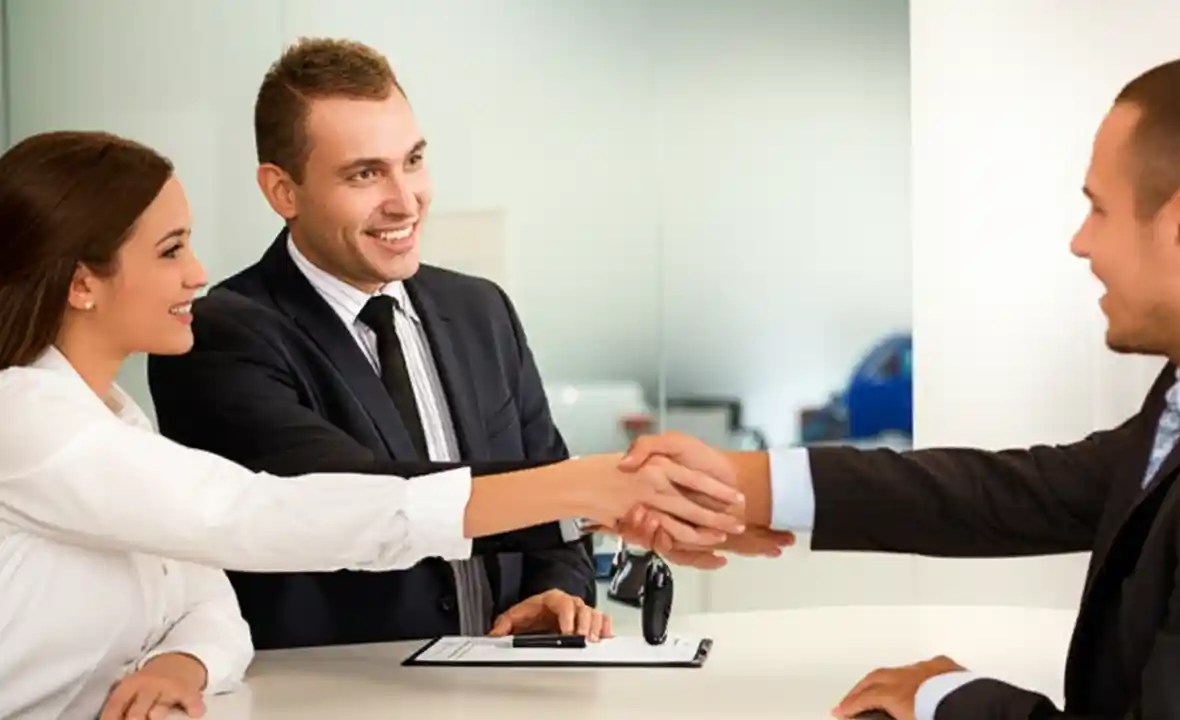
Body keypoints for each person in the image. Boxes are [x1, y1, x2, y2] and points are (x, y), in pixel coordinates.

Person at [624, 51, 1180, 719]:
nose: (1081, 243)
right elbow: (1014, 494)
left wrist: (949, 698)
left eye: (1099, 210)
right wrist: (740, 484)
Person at [0, 131, 741, 720]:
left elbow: (210, 606)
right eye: (170, 251)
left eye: (412, 160)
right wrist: (584, 486)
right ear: (82, 283)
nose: (197, 272)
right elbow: (266, 517)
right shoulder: (24, 420)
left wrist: (179, 663)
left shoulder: (117, 426)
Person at [145, 37, 616, 650]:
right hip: (337, 700)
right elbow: (367, 500)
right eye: (365, 173)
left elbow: (545, 482)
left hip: (507, 689)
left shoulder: (481, 311)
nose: (406, 199)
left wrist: (556, 593)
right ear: (282, 191)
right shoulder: (218, 337)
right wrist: (593, 490)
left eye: (413, 161)